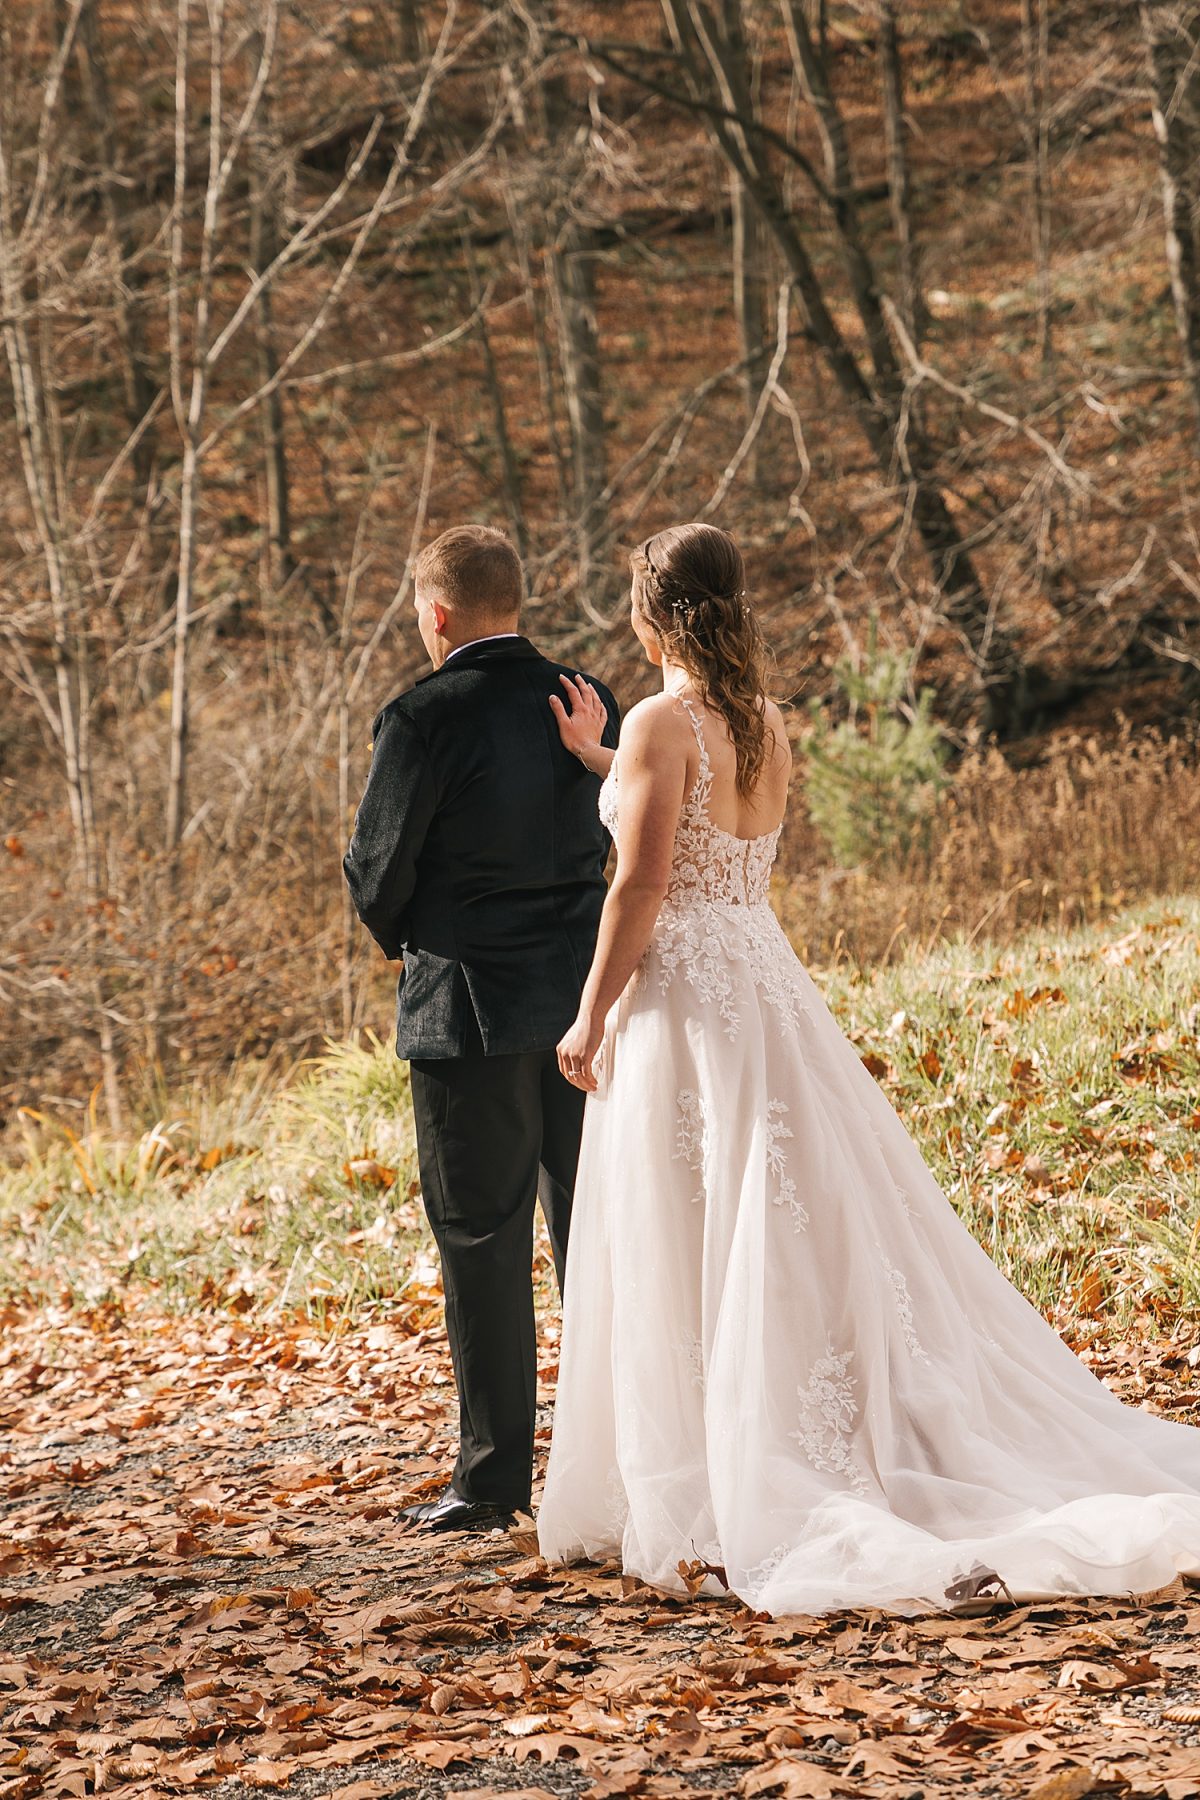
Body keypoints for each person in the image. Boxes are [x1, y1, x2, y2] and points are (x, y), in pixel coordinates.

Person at [536, 520, 1200, 1616]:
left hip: (690, 999)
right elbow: (694, 818)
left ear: (653, 613)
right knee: (783, 1213)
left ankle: (724, 1463)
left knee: (696, 1212)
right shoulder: (761, 724)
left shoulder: (663, 721)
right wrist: (600, 758)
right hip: (762, 977)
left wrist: (588, 1014)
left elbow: (644, 883)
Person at [344, 525, 619, 1534]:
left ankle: (493, 1481)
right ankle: (620, 1458)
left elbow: (379, 870)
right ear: (519, 599)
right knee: (597, 1232)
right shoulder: (585, 698)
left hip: (468, 1011)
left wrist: (425, 933)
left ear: (437, 613)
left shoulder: (422, 717)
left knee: (480, 1241)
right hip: (588, 1000)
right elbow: (619, 831)